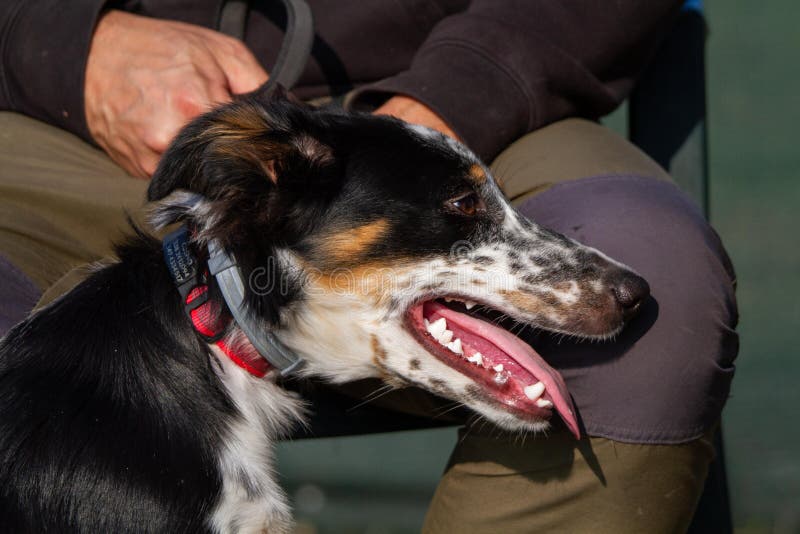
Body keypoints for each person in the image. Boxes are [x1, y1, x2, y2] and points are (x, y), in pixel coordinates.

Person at [0, 1, 737, 531]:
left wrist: (462, 91)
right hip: (55, 111)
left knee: (660, 312)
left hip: (469, 90)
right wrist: (67, 40)